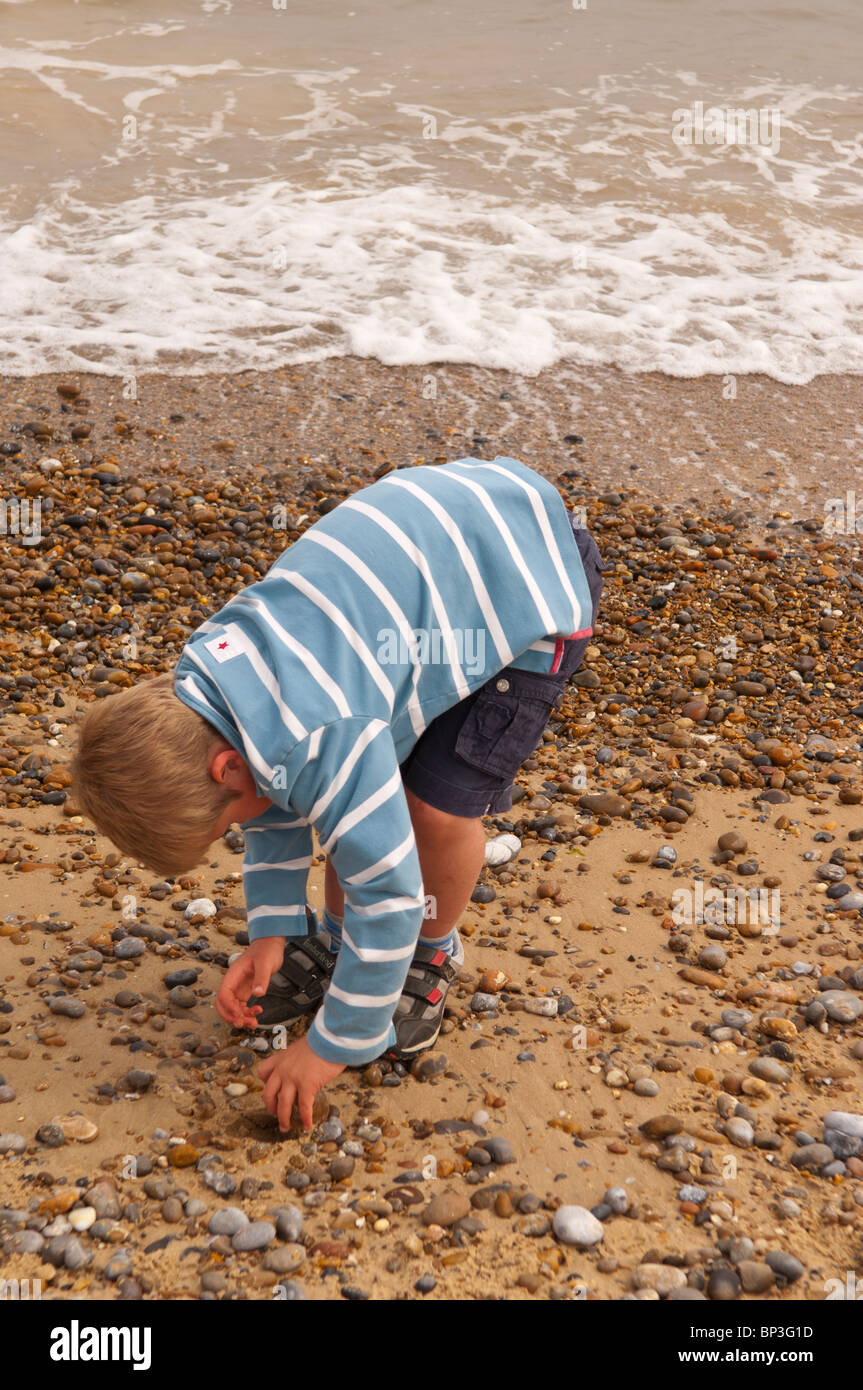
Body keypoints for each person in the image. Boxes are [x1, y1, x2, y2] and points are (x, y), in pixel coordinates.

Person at [72, 455, 603, 1131]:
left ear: (225, 768)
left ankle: (427, 955)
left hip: (527, 578)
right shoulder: (209, 687)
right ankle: (332, 946)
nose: (237, 831)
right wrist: (273, 931)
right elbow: (273, 799)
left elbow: (386, 890)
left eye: (222, 827)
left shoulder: (322, 732)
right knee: (343, 802)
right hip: (431, 559)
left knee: (429, 808)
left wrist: (331, 1047)